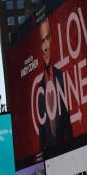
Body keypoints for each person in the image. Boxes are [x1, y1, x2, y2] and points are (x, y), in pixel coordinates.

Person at [36, 17, 72, 152]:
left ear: (52, 40)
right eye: (42, 41)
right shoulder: (40, 89)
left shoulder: (61, 77)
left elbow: (69, 125)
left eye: (47, 38)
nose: (45, 47)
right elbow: (42, 137)